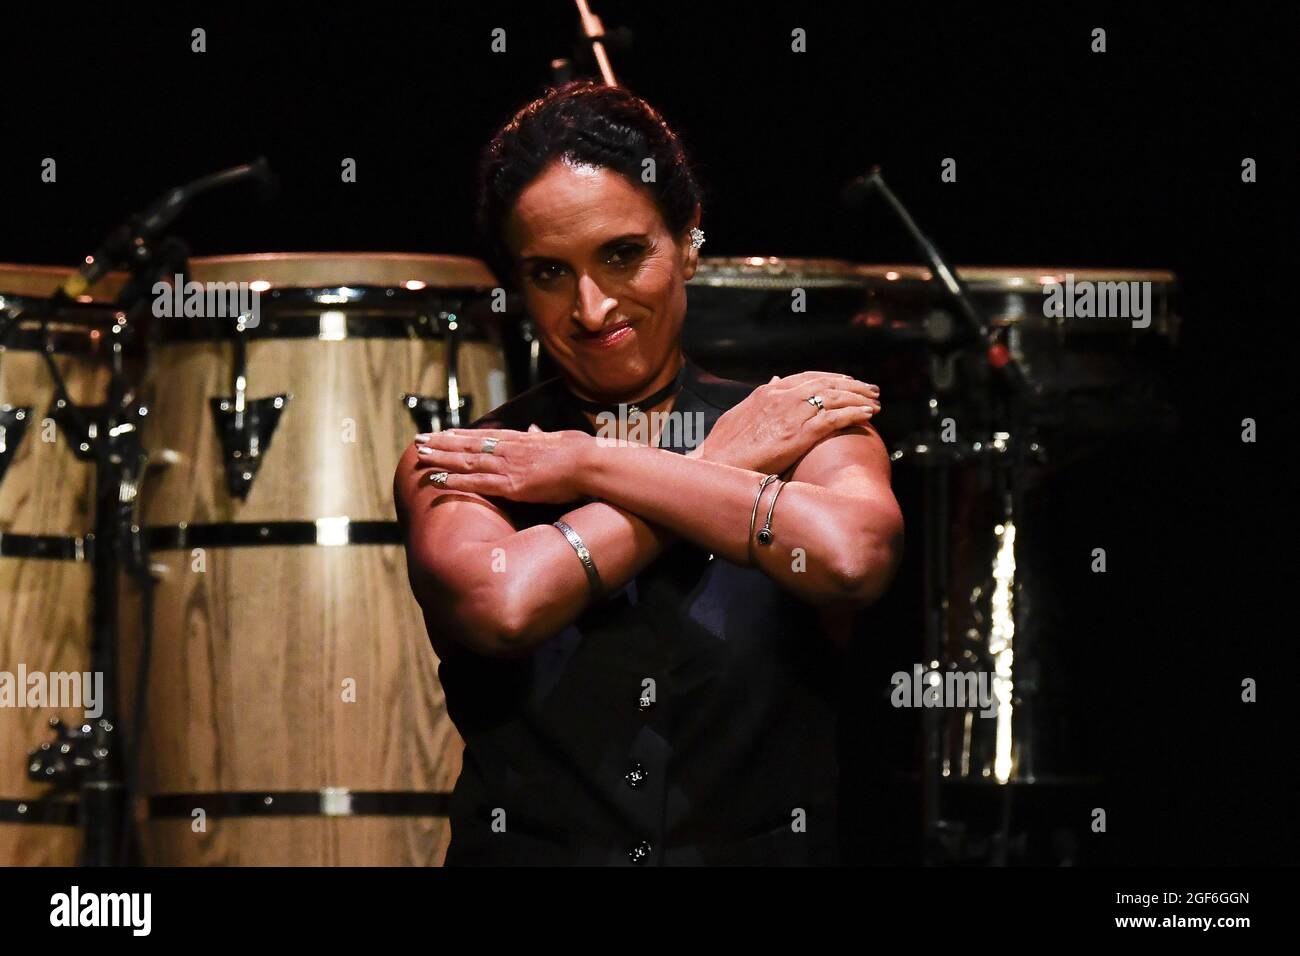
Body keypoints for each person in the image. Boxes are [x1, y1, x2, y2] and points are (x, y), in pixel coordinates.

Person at [394, 80, 903, 865]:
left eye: (622, 255)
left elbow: (851, 557)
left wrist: (590, 464)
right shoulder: (473, 460)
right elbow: (504, 603)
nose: (592, 309)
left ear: (689, 240)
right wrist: (714, 464)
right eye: (549, 272)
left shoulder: (800, 426)